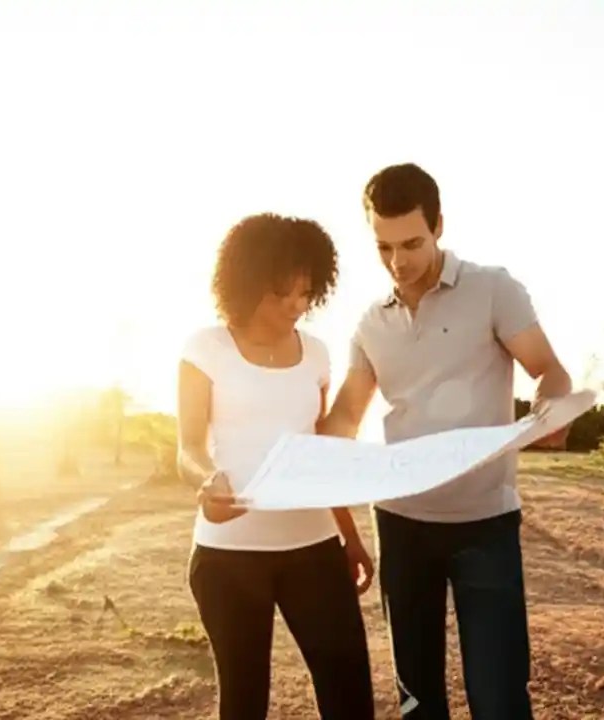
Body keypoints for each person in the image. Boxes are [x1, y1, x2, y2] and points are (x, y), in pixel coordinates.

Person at [321, 163, 573, 719]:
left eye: (411, 242)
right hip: (401, 525)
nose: (398, 261)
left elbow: (550, 371)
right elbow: (344, 416)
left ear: (439, 225)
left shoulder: (493, 289)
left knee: (500, 698)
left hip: (485, 523)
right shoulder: (369, 323)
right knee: (418, 705)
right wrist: (287, 455)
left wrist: (549, 411)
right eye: (383, 247)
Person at [176, 212, 376, 720]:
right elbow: (188, 448)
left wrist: (348, 535)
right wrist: (206, 481)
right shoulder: (207, 348)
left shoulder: (316, 354)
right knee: (244, 705)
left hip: (313, 549)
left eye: (305, 293)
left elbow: (318, 453)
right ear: (245, 286)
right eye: (281, 293)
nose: (296, 306)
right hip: (228, 558)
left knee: (350, 696)